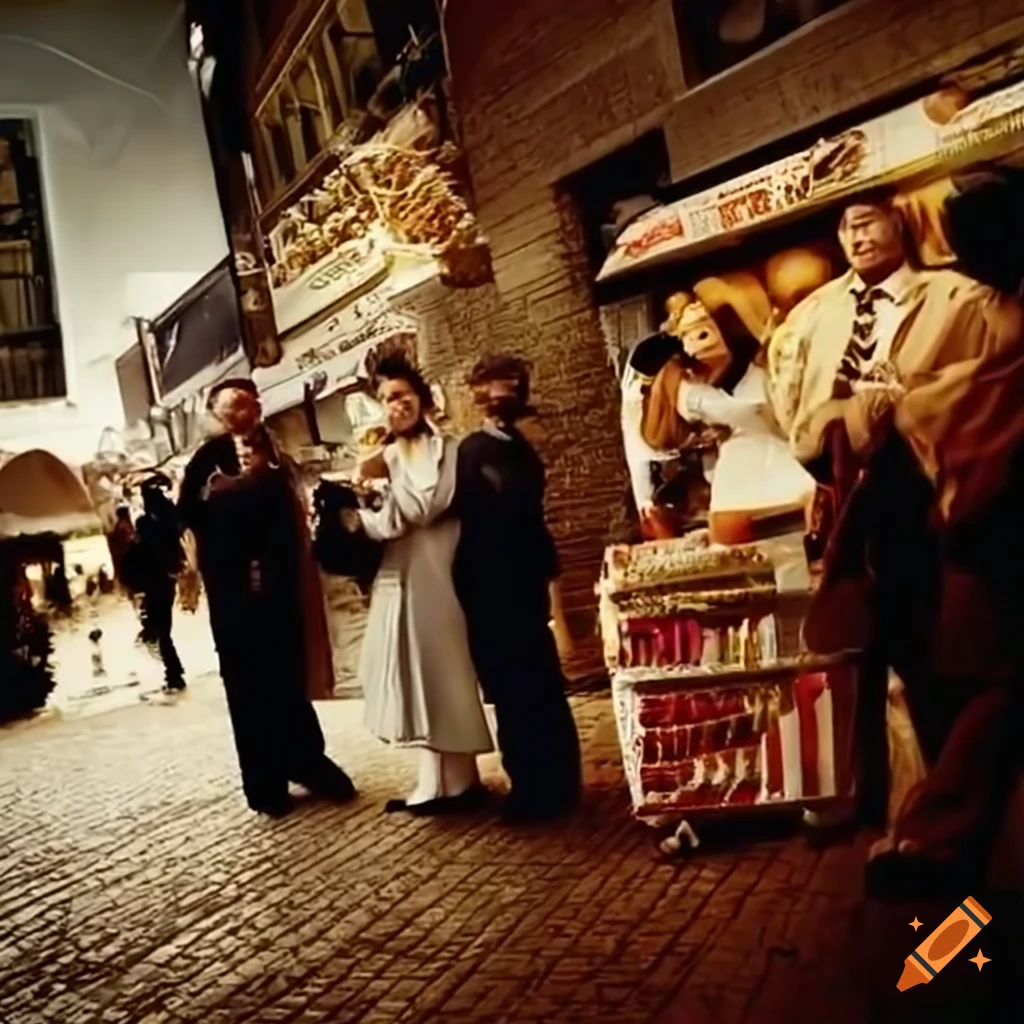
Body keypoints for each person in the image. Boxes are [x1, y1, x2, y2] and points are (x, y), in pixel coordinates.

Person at [769, 190, 1024, 891]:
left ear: (903, 224)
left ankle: (938, 848)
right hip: (870, 510)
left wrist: (901, 408)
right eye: (843, 223)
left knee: (963, 680)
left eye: (869, 218)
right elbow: (801, 412)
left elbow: (984, 387)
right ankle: (899, 819)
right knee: (895, 665)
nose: (856, 233)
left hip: (949, 512)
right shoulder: (815, 315)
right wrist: (838, 428)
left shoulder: (961, 297)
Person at [178, 379, 354, 817]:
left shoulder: (273, 449)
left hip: (280, 589)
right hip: (235, 597)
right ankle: (264, 782)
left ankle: (306, 760)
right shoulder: (207, 457)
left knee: (287, 678)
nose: (242, 411)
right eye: (231, 405)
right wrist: (229, 492)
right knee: (247, 687)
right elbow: (187, 515)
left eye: (248, 403)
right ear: (217, 410)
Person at [351, 355, 493, 815]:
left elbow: (424, 506)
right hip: (402, 572)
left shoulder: (448, 449)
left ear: (421, 396)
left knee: (445, 669)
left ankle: (461, 780)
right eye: (386, 400)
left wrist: (378, 492)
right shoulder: (389, 456)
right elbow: (384, 525)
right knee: (413, 671)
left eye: (401, 395)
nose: (396, 406)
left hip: (441, 570)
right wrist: (368, 502)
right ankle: (435, 781)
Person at [453, 355, 581, 821]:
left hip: (502, 590)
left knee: (523, 690)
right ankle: (550, 781)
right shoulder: (493, 449)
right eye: (487, 386)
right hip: (502, 587)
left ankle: (538, 787)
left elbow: (510, 515)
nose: (493, 395)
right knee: (531, 687)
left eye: (505, 386)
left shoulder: (492, 451)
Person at [133, 476, 186, 696]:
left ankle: (173, 672)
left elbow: (141, 553)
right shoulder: (168, 518)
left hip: (155, 580)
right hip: (167, 578)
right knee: (162, 627)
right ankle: (173, 671)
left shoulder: (147, 525)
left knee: (160, 628)